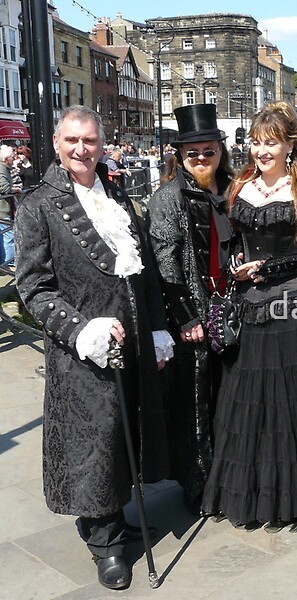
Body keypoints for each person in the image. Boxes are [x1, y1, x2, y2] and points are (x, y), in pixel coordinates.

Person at [13, 105, 173, 590]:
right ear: (57, 145)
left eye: (90, 141)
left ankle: (113, 516)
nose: (82, 149)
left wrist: (158, 329)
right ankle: (104, 542)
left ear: (102, 145)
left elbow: (141, 274)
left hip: (132, 339)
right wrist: (82, 329)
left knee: (124, 432)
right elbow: (34, 288)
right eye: (72, 141)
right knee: (94, 442)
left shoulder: (120, 197)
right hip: (82, 348)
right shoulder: (36, 205)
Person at [201, 101, 297, 530]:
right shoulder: (240, 187)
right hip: (251, 304)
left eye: (271, 143)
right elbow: (231, 245)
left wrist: (273, 267)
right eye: (255, 142)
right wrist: (238, 266)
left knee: (296, 400)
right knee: (256, 401)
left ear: (289, 145)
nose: (261, 151)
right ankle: (255, 492)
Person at [147, 104, 235, 512]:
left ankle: (231, 474)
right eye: (192, 154)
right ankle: (199, 484)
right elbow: (165, 260)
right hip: (197, 314)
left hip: (234, 308)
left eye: (208, 151)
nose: (201, 159)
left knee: (229, 395)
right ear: (179, 157)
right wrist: (186, 317)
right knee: (196, 402)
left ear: (220, 151)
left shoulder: (233, 191)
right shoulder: (167, 199)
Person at [0, 144, 17, 265]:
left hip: (4, 208)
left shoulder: (4, 169)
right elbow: (4, 188)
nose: (14, 158)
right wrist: (16, 190)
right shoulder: (1, 169)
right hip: (2, 209)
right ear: (7, 159)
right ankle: (9, 262)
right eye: (12, 157)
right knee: (8, 234)